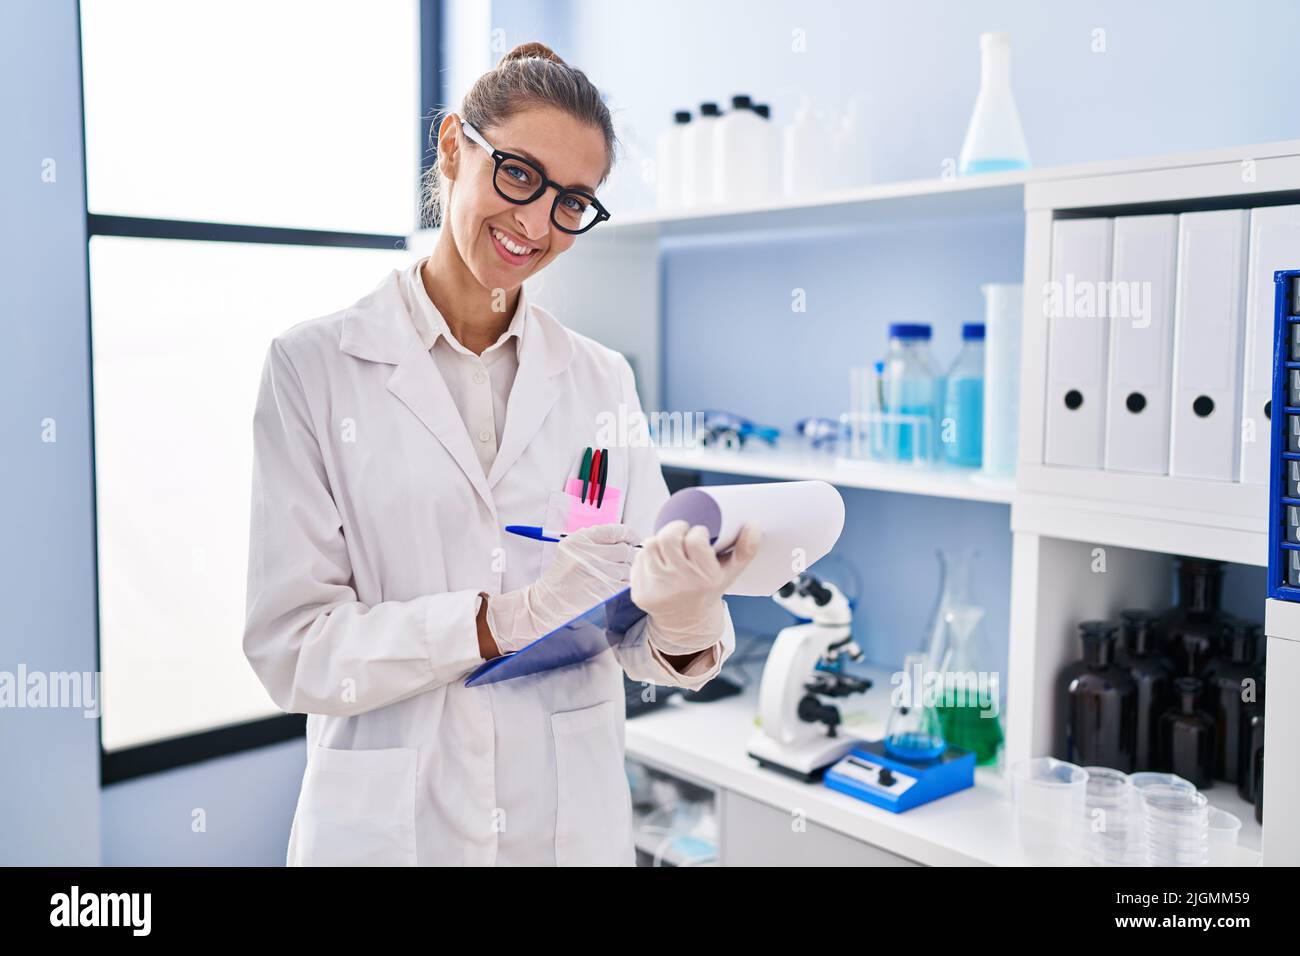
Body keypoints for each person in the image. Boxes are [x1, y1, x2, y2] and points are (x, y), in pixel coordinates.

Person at [242, 40, 761, 866]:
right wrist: (493, 623)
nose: (535, 223)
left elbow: (633, 628)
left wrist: (687, 614)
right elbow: (294, 649)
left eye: (572, 202)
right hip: (390, 829)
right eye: (518, 173)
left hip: (563, 826)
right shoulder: (314, 368)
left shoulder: (600, 380)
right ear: (454, 147)